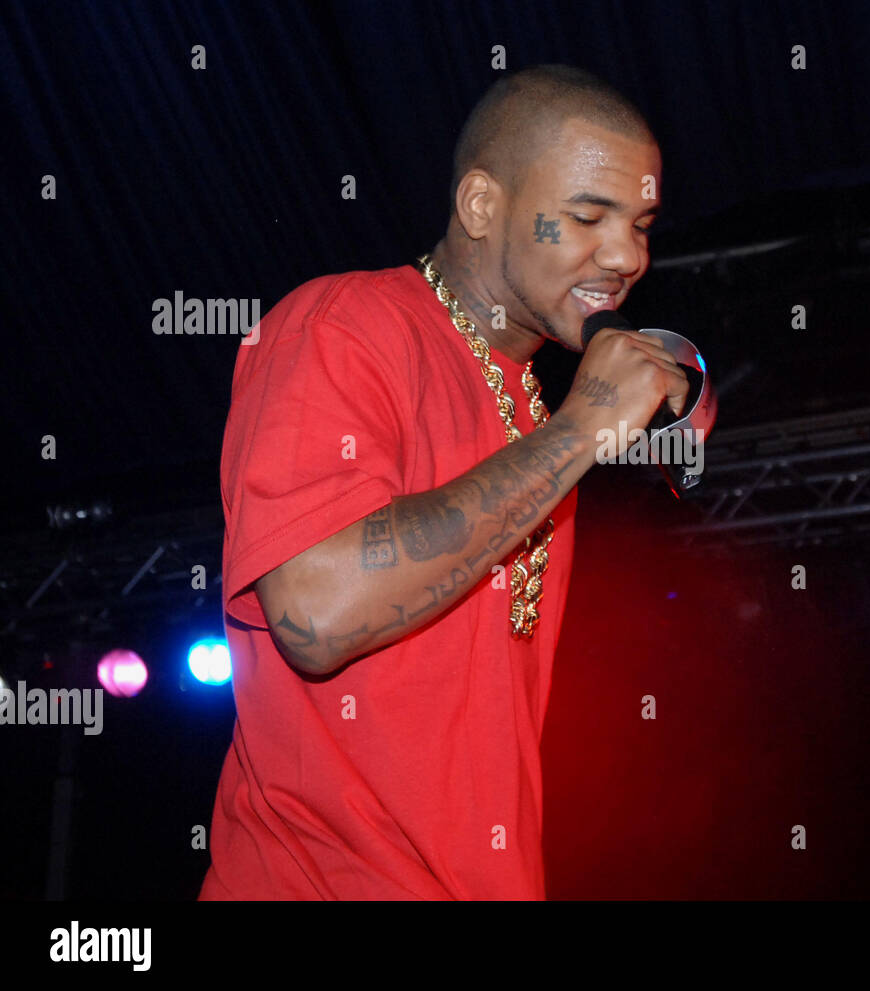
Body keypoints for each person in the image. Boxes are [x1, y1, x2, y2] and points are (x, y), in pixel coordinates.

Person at [199, 64, 688, 900]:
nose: (627, 255)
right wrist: (582, 429)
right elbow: (315, 614)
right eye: (585, 217)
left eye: (641, 224)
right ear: (480, 206)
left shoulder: (535, 414)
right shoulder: (343, 325)